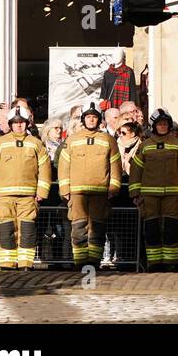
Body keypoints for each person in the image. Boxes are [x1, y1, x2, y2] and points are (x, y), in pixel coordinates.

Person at [0, 106, 51, 270]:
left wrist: (41, 193)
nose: (19, 125)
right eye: (15, 123)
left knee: (27, 231)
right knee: (6, 230)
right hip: (5, 197)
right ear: (10, 124)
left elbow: (45, 169)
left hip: (28, 197)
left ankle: (25, 264)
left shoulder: (36, 144)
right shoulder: (0, 143)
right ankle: (7, 263)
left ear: (27, 123)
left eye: (22, 122)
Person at [57, 101, 122, 270]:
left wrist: (113, 188)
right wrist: (65, 189)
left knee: (97, 229)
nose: (91, 120)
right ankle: (80, 262)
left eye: (94, 117)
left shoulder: (108, 140)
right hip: (77, 193)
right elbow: (64, 166)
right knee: (78, 228)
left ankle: (93, 263)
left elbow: (115, 165)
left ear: (99, 119)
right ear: (83, 119)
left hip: (100, 193)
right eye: (88, 117)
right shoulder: (72, 140)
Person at [130, 109, 178, 272]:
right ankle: (154, 262)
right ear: (153, 125)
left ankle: (170, 263)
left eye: (165, 124)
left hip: (172, 196)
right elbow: (136, 170)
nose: (163, 126)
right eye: (160, 124)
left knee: (171, 229)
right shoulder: (145, 146)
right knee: (151, 229)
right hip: (149, 196)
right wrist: (135, 194)